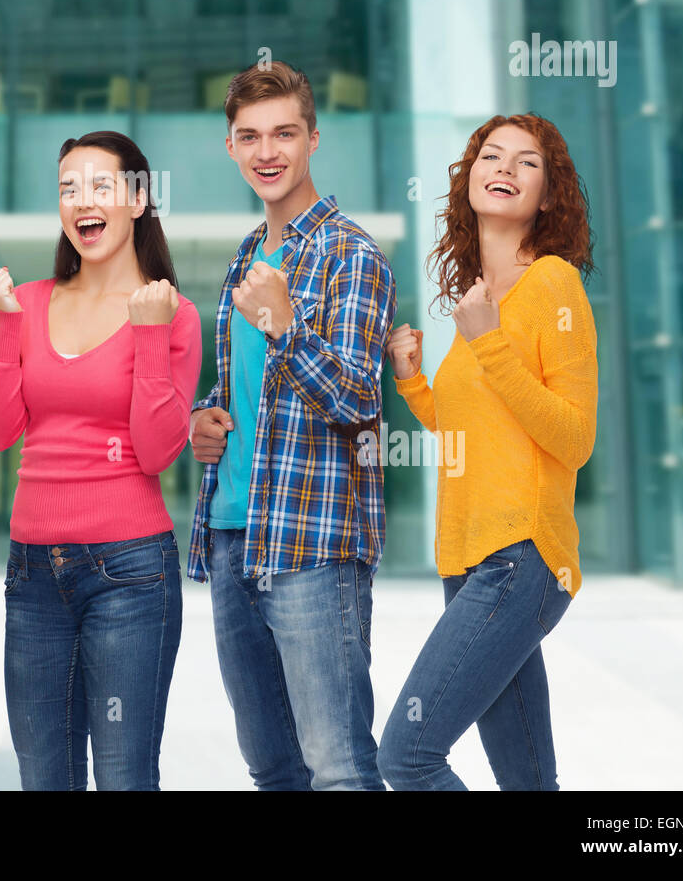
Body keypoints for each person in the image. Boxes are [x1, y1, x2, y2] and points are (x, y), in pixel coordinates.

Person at [187, 60, 396, 791]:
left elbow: (356, 396)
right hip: (232, 534)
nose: (266, 150)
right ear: (231, 147)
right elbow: (244, 388)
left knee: (338, 768)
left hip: (312, 544)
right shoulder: (246, 257)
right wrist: (204, 421)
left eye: (283, 133)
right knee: (273, 768)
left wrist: (283, 324)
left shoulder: (352, 253)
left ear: (313, 138)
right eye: (249, 136)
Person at [377, 113, 598, 791]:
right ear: (468, 179)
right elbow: (476, 429)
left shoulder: (554, 284)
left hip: (522, 557)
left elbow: (574, 436)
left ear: (548, 193)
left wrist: (491, 344)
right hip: (470, 560)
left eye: (526, 161)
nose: (503, 167)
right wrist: (413, 378)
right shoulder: (476, 301)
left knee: (407, 756)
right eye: (490, 155)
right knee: (529, 782)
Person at [0, 131, 201, 790]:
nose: (82, 202)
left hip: (129, 571)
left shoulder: (172, 313)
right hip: (33, 570)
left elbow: (158, 449)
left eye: (99, 185)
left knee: (126, 775)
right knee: (45, 775)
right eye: (68, 188)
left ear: (137, 198)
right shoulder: (34, 300)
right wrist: (7, 324)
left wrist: (151, 333)